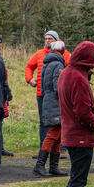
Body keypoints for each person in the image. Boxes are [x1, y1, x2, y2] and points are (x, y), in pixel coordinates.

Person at [55, 41, 94, 187]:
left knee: (75, 177)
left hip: (71, 133)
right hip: (80, 136)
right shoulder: (77, 78)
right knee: (78, 181)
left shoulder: (67, 73)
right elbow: (82, 111)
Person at [24, 30, 59, 163]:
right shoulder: (39, 54)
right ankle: (43, 149)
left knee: (57, 123)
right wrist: (30, 79)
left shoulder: (64, 54)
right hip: (41, 94)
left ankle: (56, 150)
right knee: (43, 122)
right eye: (46, 38)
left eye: (50, 38)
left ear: (56, 40)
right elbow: (28, 67)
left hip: (56, 95)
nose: (47, 41)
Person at [35, 41, 67, 177]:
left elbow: (42, 85)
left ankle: (54, 167)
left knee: (58, 134)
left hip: (47, 100)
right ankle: (39, 165)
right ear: (62, 51)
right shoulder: (58, 64)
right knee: (53, 134)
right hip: (55, 101)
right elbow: (57, 86)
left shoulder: (46, 64)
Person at [0, 35, 13, 164]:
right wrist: (7, 92)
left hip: (1, 94)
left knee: (0, 122)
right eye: (0, 43)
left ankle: (0, 147)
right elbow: (3, 79)